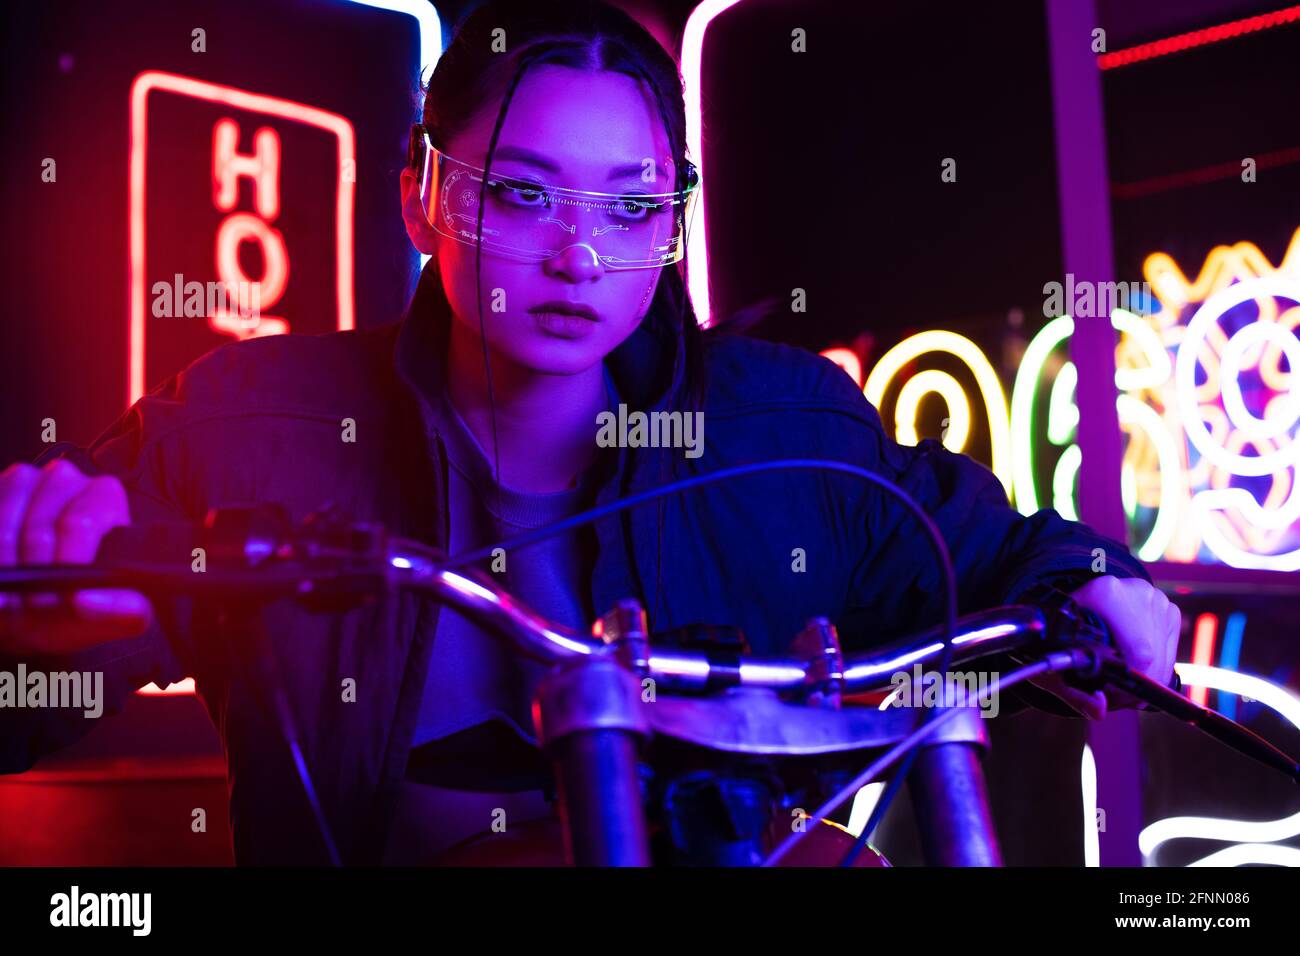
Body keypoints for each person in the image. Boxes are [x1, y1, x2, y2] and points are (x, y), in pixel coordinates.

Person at [0, 0, 1179, 865]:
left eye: (630, 207)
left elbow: (988, 547)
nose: (579, 254)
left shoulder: (781, 426)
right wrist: (52, 636)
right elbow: (38, 681)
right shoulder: (249, 423)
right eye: (520, 192)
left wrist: (1094, 579)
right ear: (419, 191)